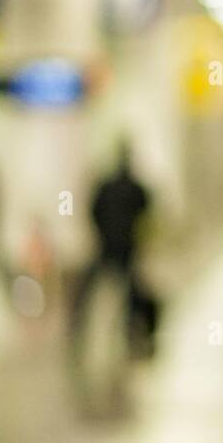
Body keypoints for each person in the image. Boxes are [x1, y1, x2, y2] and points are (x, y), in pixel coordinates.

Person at [72, 145, 153, 357]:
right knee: (128, 290)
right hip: (124, 245)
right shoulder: (135, 188)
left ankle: (80, 330)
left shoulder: (109, 187)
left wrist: (102, 233)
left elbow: (94, 211)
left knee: (97, 289)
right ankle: (132, 330)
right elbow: (146, 215)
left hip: (110, 244)